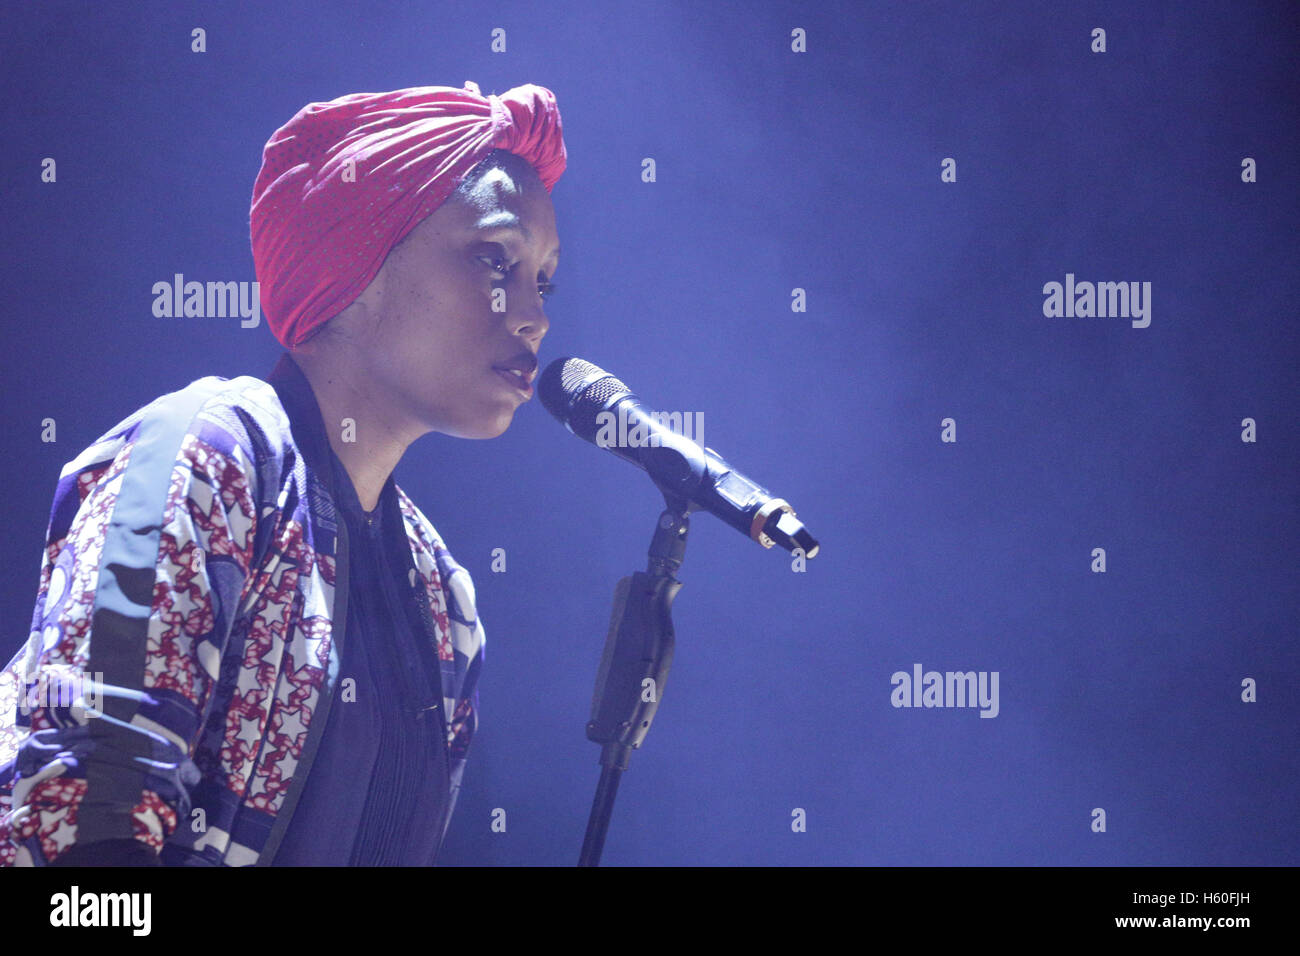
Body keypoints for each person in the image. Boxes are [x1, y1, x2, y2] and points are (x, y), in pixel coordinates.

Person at [0, 80, 565, 866]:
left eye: (544, 278)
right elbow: (77, 835)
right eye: (493, 258)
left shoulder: (446, 604)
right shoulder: (208, 459)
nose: (534, 312)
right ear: (358, 265)